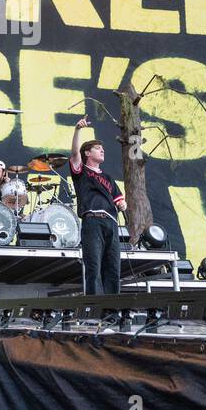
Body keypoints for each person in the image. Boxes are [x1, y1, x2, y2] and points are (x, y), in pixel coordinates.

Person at [69, 116, 127, 295]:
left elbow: (120, 201)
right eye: (98, 149)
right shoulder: (82, 172)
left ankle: (113, 308)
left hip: (111, 223)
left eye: (103, 149)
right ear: (87, 153)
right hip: (92, 220)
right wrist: (77, 130)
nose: (102, 151)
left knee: (113, 268)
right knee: (93, 266)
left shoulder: (109, 178)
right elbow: (74, 153)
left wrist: (123, 204)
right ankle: (94, 308)